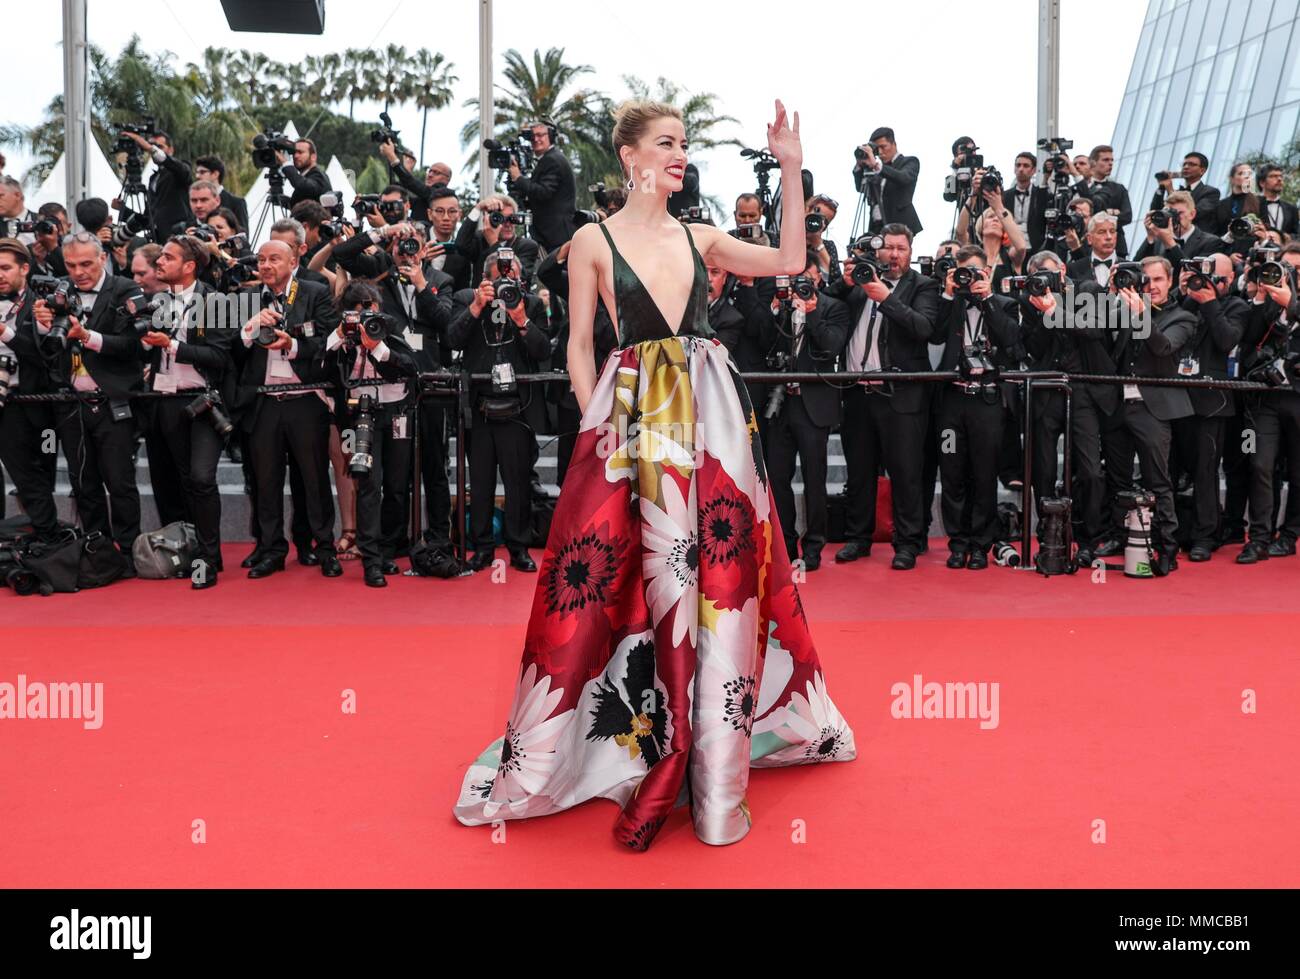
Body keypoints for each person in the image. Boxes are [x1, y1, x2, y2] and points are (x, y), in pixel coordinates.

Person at [452, 98, 855, 852]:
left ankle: (715, 747)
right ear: (631, 157)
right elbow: (577, 344)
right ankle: (652, 738)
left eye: (684, 144)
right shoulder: (590, 241)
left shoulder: (702, 237)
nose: (679, 154)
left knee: (724, 575)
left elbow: (790, 262)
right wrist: (597, 425)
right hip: (633, 417)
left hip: (713, 418)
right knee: (645, 577)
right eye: (666, 143)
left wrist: (793, 170)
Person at [506, 119, 577, 251]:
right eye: (533, 136)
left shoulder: (552, 159)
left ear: (550, 136)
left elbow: (543, 192)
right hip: (552, 234)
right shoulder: (548, 158)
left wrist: (518, 178)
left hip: (556, 235)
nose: (536, 139)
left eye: (540, 135)